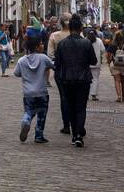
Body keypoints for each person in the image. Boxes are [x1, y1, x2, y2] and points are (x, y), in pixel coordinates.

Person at [53, 15, 97, 147]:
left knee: (70, 107)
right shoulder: (86, 43)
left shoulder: (62, 44)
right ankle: (78, 134)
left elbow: (57, 63)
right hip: (83, 80)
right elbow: (93, 61)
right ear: (80, 28)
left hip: (66, 79)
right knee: (81, 107)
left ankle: (74, 134)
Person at [14, 32, 53, 144]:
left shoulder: (22, 60)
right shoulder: (43, 58)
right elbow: (53, 66)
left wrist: (25, 74)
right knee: (42, 114)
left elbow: (16, 73)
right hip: (42, 92)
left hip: (28, 93)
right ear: (36, 47)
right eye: (40, 44)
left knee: (28, 111)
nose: (42, 45)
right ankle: (39, 136)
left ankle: (26, 121)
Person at [107, 29, 124, 102]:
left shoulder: (112, 44)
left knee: (117, 80)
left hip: (115, 64)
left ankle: (119, 96)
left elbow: (108, 54)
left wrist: (108, 62)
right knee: (123, 81)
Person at [86, 25, 105, 101]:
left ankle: (86, 94)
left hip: (86, 63)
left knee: (86, 80)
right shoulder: (99, 41)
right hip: (96, 63)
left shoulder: (85, 40)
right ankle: (93, 95)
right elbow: (103, 50)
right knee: (95, 79)